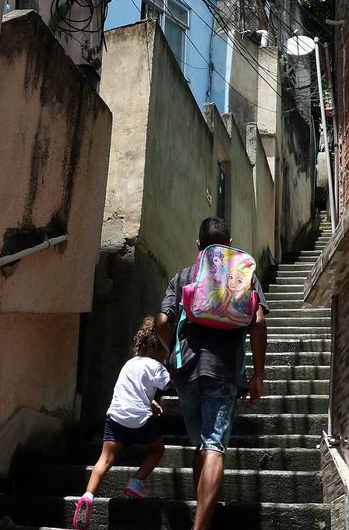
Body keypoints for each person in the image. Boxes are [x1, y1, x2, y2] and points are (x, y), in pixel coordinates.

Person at [156, 217, 267, 530]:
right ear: (229, 244)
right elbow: (258, 322)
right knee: (214, 445)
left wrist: (173, 352)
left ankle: (202, 515)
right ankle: (200, 526)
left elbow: (161, 321)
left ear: (198, 245)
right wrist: (258, 374)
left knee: (201, 444)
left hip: (186, 370)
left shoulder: (183, 276)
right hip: (223, 369)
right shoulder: (243, 275)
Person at [73, 316, 170, 529]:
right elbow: (172, 384)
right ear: (161, 349)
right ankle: (137, 482)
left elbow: (132, 389)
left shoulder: (129, 363)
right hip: (140, 419)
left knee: (105, 460)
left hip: (116, 416)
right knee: (157, 449)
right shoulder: (157, 367)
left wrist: (151, 401)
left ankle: (88, 496)